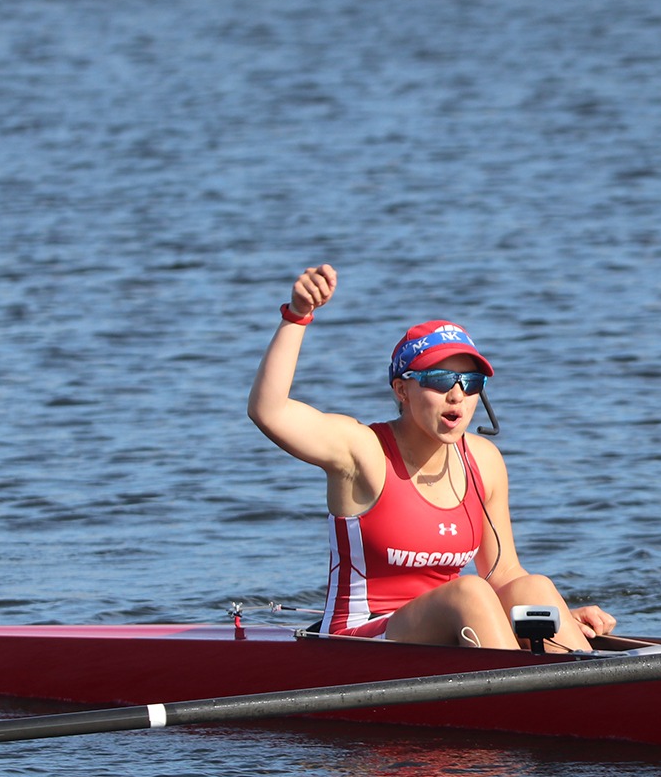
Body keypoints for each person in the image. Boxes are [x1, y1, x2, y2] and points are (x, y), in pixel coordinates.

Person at [247, 264, 615, 650]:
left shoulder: (484, 460)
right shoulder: (363, 452)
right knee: (469, 592)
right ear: (401, 390)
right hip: (358, 638)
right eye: (440, 380)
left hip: (452, 627)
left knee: (534, 587)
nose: (457, 396)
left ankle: (586, 677)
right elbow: (268, 411)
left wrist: (555, 615)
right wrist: (297, 315)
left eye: (470, 383)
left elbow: (503, 572)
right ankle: (541, 683)